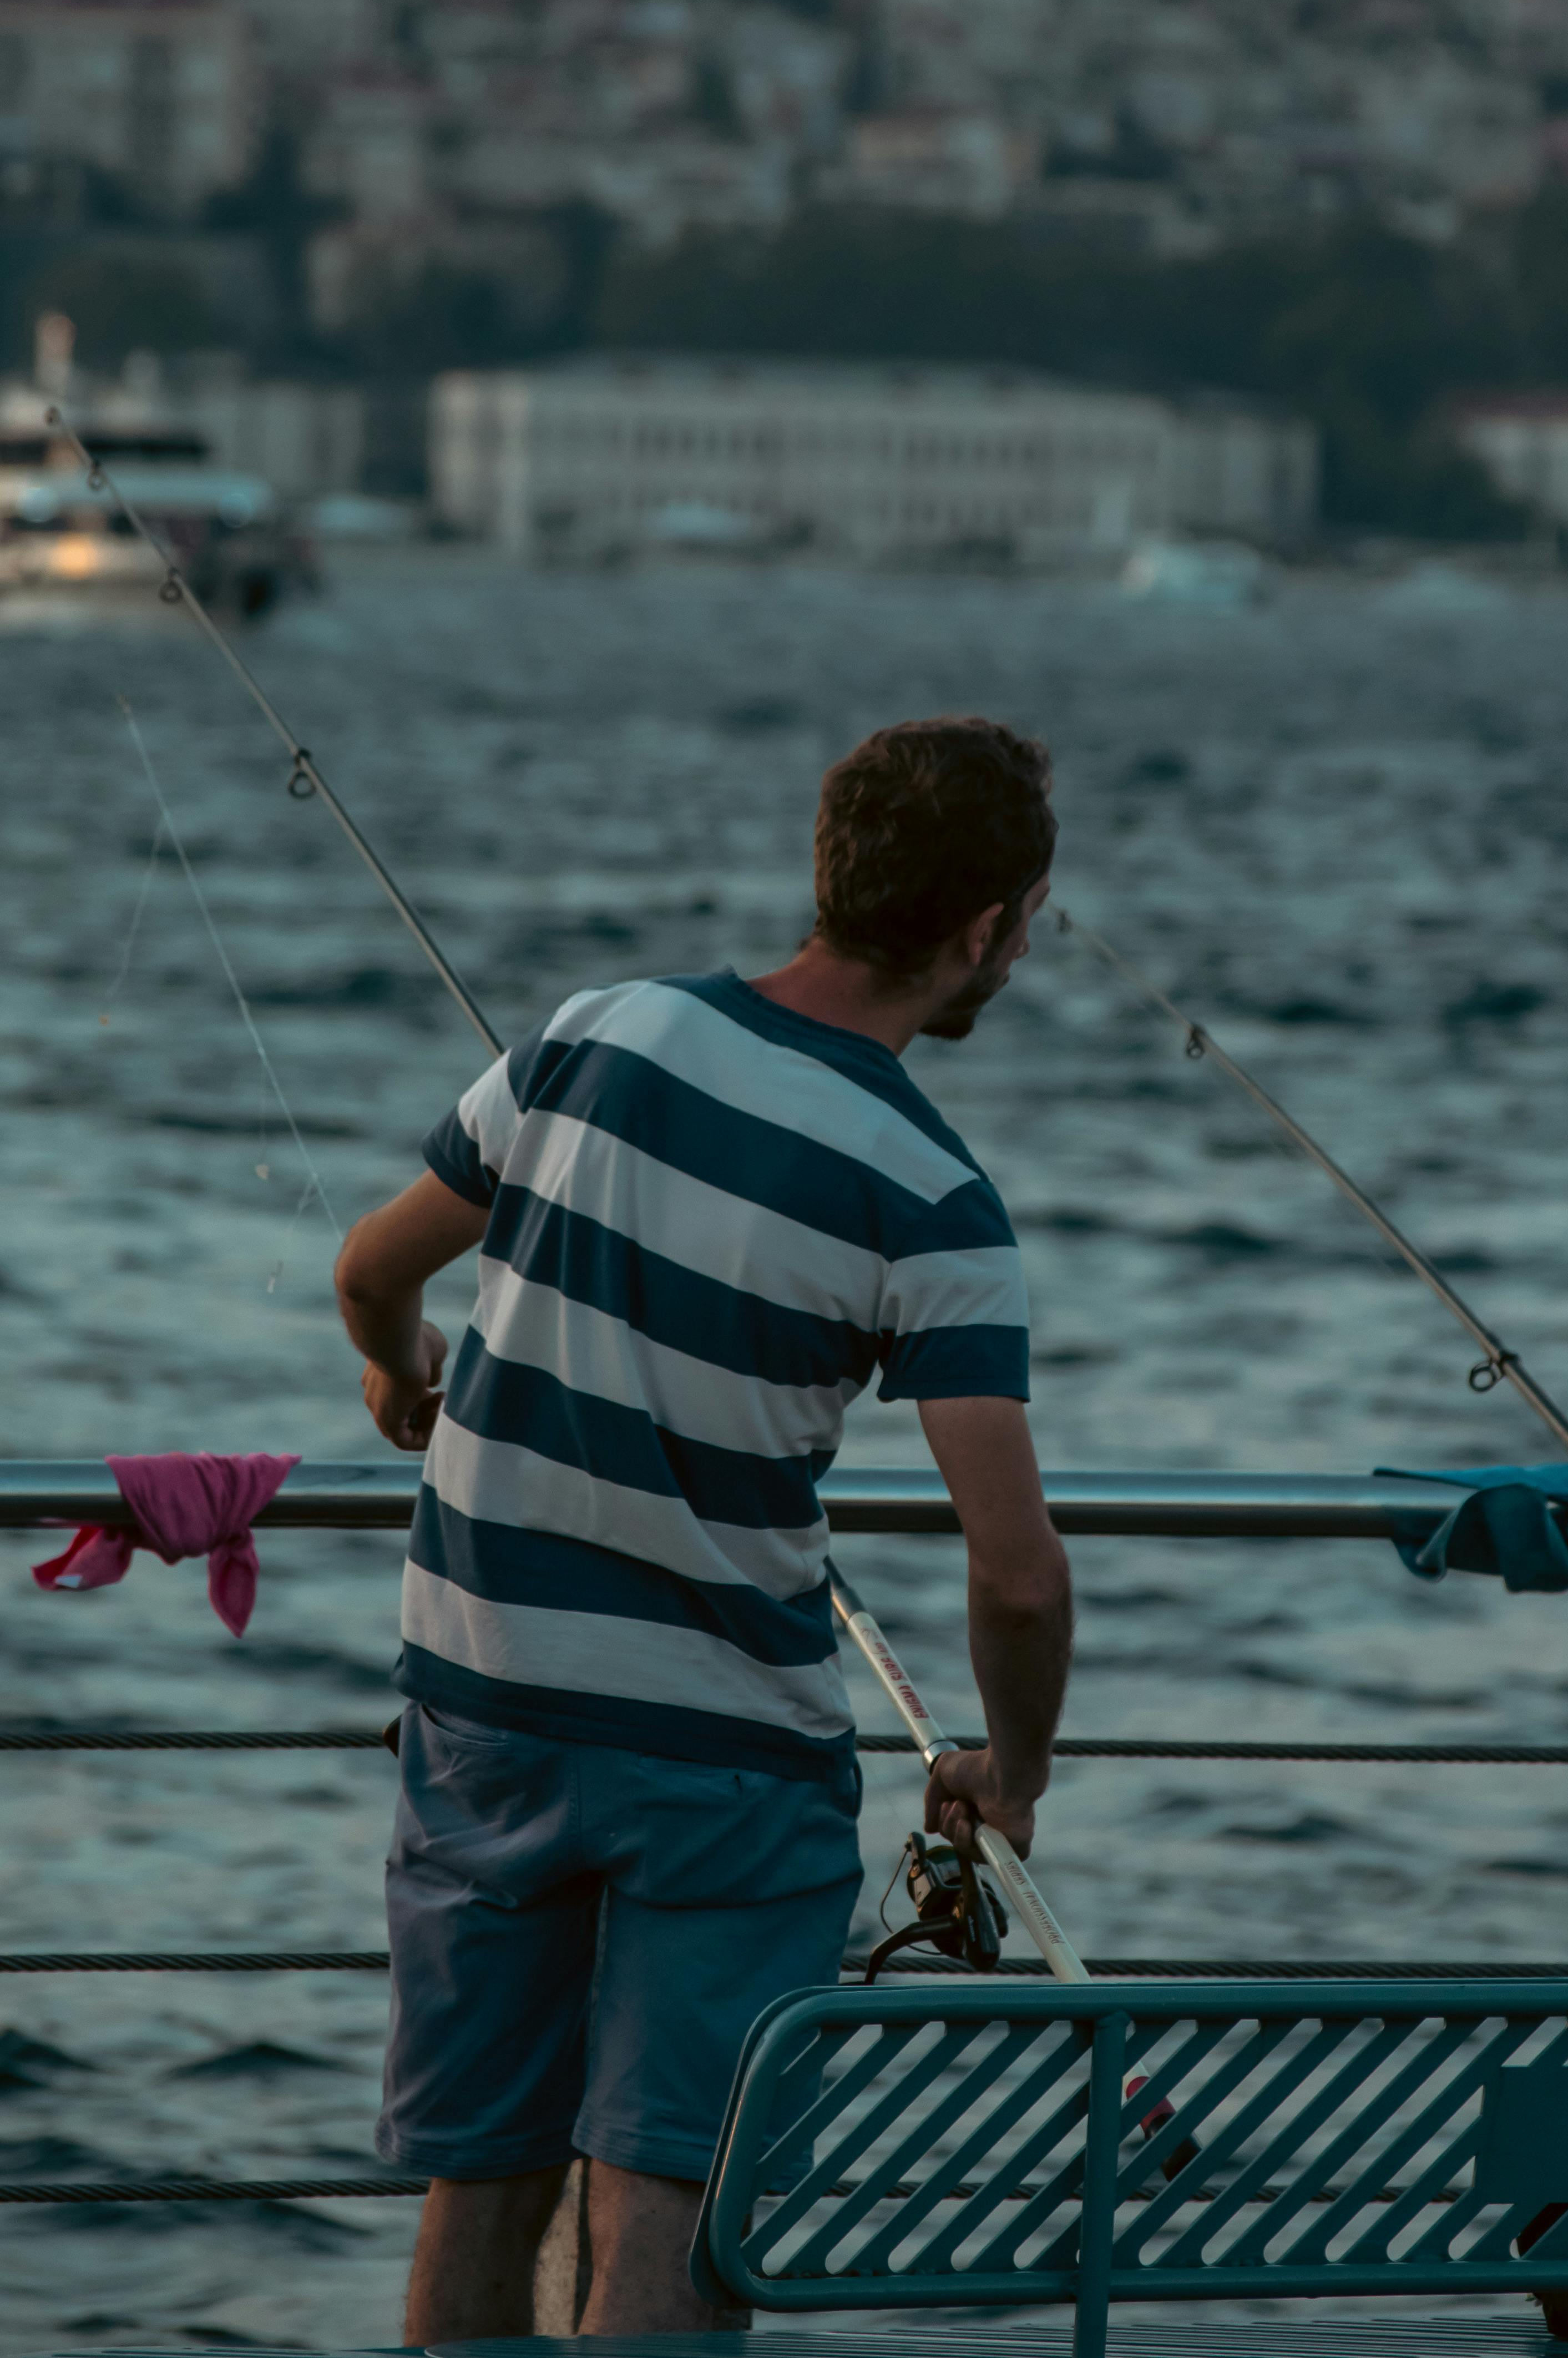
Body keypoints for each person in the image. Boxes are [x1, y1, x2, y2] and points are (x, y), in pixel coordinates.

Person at [333, 715, 1074, 2340]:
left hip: (488, 1708)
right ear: (977, 931)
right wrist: (1006, 1773)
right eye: (1028, 922)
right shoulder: (934, 1198)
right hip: (725, 1766)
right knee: (665, 2201)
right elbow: (1013, 1574)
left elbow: (374, 1271)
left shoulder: (595, 1029)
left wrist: (406, 1381)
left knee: (485, 2183)